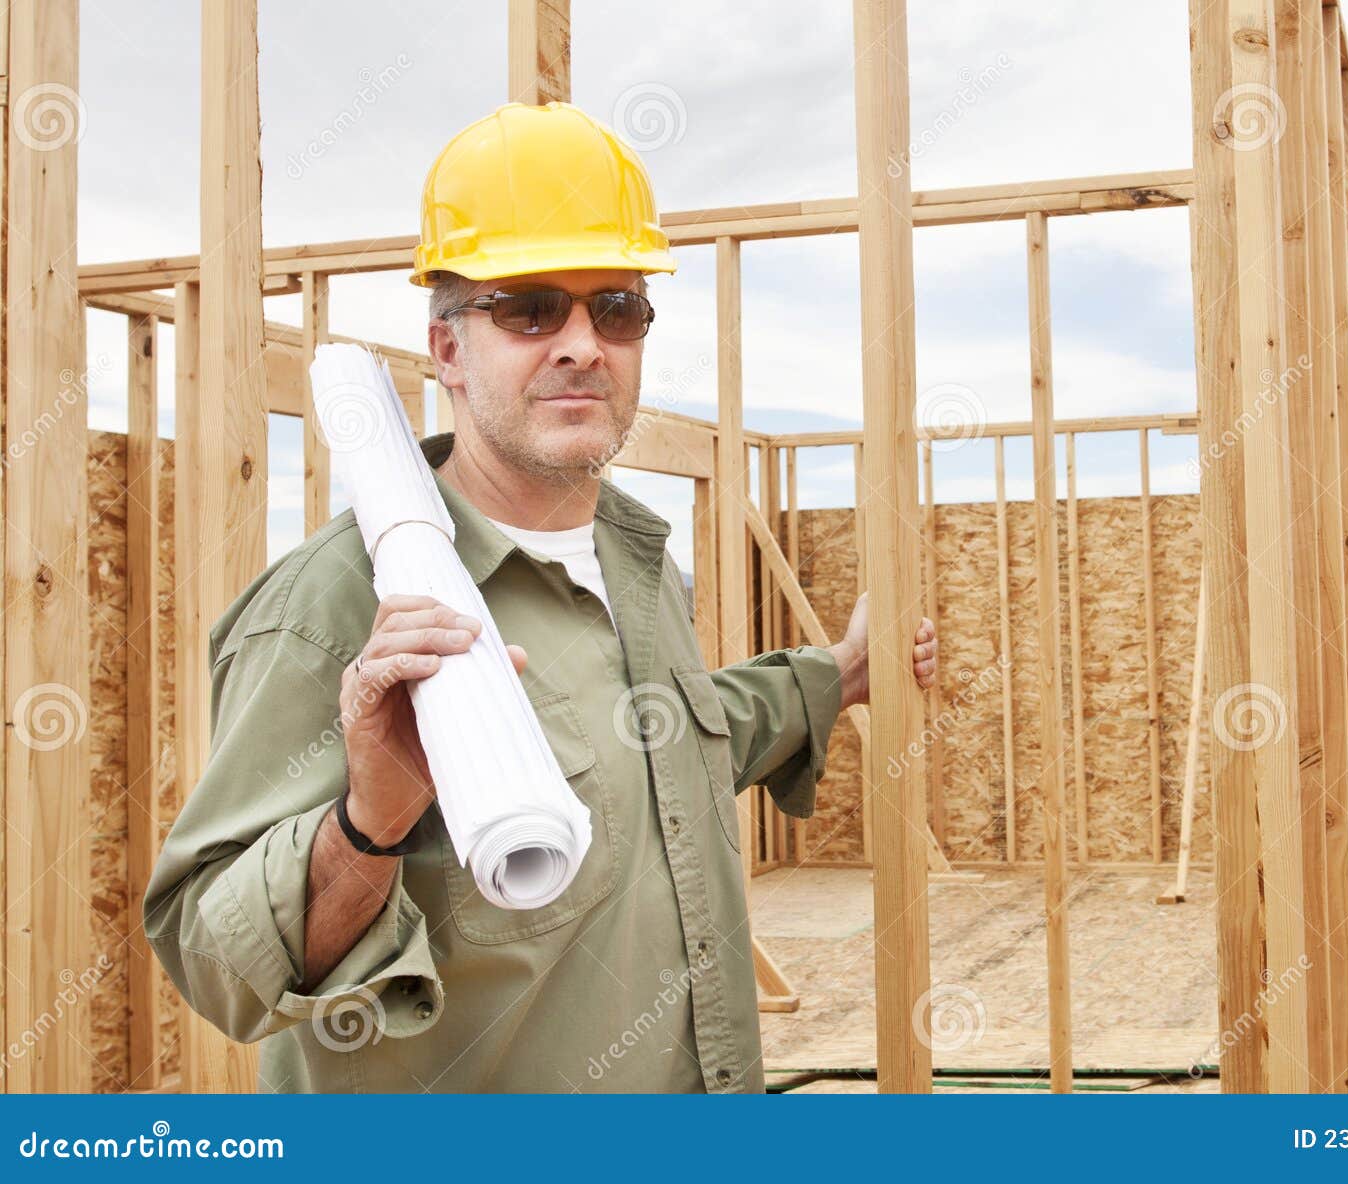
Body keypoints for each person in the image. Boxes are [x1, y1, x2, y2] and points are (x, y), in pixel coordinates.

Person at [144, 102, 938, 1093]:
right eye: (527, 308)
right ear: (445, 349)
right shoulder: (340, 605)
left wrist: (841, 674)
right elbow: (216, 966)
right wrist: (367, 823)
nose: (580, 343)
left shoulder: (639, 560)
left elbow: (663, 746)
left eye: (615, 307)